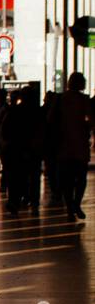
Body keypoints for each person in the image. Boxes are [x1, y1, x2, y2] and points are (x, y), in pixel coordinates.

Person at [46, 72, 93, 221]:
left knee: (66, 178)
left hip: (63, 146)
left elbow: (50, 119)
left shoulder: (59, 99)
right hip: (79, 145)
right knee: (81, 178)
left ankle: (69, 208)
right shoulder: (85, 101)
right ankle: (76, 204)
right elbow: (91, 120)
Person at [2, 89, 42, 215]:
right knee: (33, 177)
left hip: (17, 149)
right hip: (33, 149)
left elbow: (5, 130)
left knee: (18, 177)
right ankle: (34, 202)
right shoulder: (38, 112)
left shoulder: (14, 111)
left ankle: (15, 201)